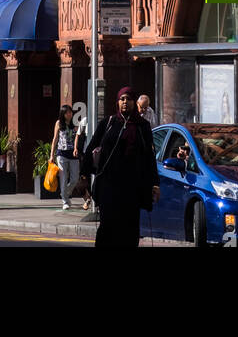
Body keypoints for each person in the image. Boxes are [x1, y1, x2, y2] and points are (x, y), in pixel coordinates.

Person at [80, 86, 159, 249]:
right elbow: (90, 148)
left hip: (133, 187)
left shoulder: (143, 126)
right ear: (117, 102)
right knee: (107, 228)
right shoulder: (108, 123)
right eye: (122, 99)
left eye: (128, 99)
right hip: (109, 186)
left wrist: (155, 184)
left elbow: (149, 158)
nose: (125, 102)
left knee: (129, 230)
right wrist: (83, 176)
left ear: (134, 103)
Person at [49, 103, 83, 211]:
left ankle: (65, 192)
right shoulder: (59, 123)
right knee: (63, 178)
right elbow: (55, 139)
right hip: (61, 154)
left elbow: (78, 137)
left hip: (73, 154)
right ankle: (65, 201)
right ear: (63, 114)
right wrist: (51, 155)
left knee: (74, 178)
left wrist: (76, 148)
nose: (70, 114)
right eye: (67, 112)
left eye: (70, 112)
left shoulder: (75, 123)